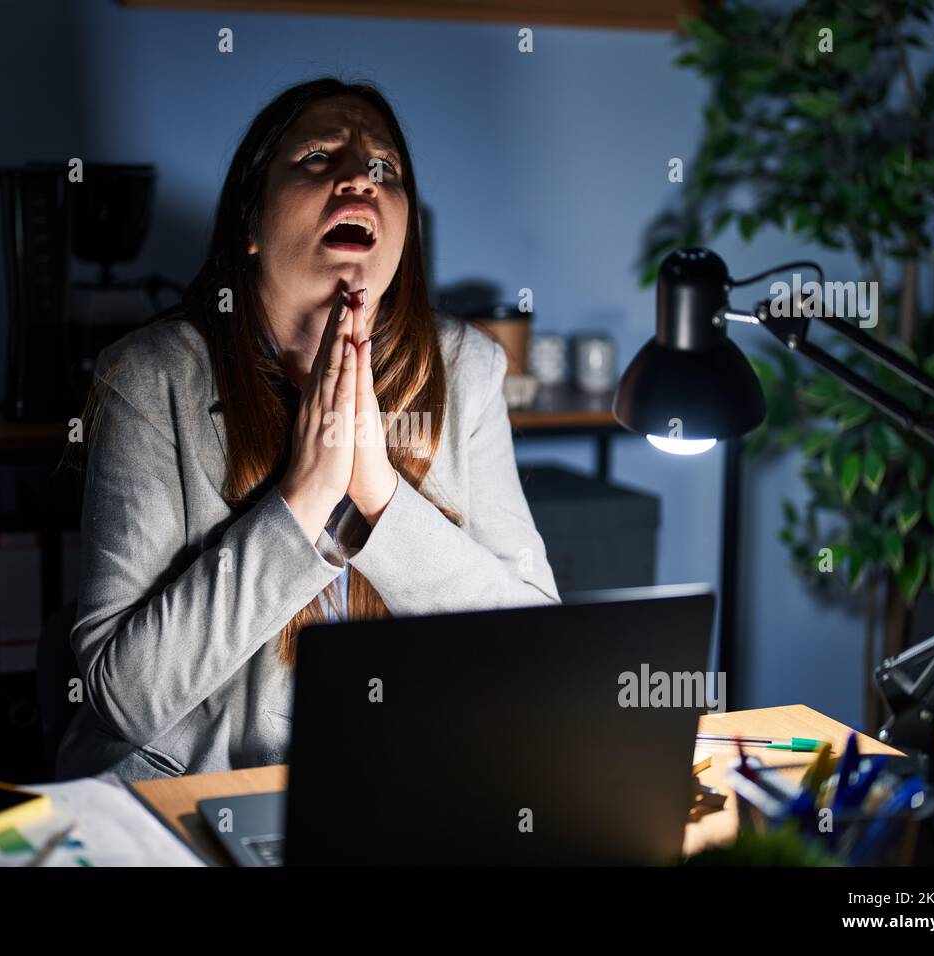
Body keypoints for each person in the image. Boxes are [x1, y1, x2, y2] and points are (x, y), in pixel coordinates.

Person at [57, 77, 558, 782]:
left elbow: (537, 651)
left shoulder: (467, 369)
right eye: (319, 159)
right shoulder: (148, 377)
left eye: (386, 169)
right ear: (250, 223)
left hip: (401, 788)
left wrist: (380, 497)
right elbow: (123, 699)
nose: (360, 176)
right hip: (196, 793)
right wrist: (303, 497)